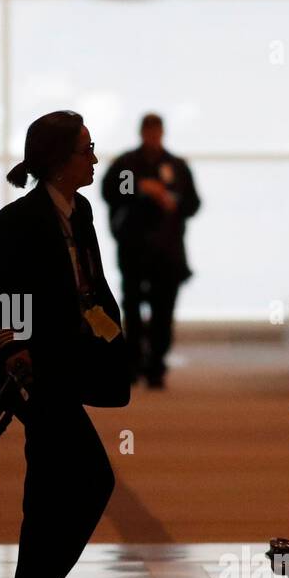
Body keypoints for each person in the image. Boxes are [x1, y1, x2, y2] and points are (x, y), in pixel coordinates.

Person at [0, 110, 129, 578]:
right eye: (87, 148)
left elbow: (90, 287)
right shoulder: (20, 220)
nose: (95, 157)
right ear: (61, 160)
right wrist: (12, 347)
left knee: (48, 495)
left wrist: (113, 340)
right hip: (36, 376)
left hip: (70, 368)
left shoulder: (78, 211)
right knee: (91, 479)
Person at [101, 113, 200, 389]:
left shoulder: (176, 166)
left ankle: (156, 364)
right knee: (131, 306)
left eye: (157, 133)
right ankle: (132, 363)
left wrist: (171, 202)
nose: (153, 138)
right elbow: (111, 192)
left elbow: (192, 204)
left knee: (163, 308)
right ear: (142, 133)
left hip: (167, 251)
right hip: (133, 248)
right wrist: (141, 188)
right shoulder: (127, 164)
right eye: (149, 132)